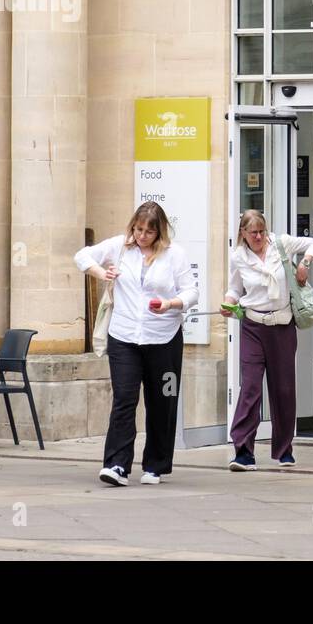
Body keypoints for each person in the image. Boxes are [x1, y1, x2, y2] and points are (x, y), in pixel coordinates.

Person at [75, 201, 197, 487]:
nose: (141, 236)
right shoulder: (120, 246)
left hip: (164, 338)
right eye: (138, 229)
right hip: (124, 336)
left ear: (159, 232)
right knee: (124, 399)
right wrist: (100, 272)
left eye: (148, 232)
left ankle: (155, 464)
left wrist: (169, 303)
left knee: (162, 401)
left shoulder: (174, 255)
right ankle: (116, 464)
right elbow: (81, 256)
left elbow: (192, 292)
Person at [224, 210, 313, 471]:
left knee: (283, 389)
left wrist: (305, 263)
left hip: (282, 326)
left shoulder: (280, 244)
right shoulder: (238, 257)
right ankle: (243, 451)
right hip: (253, 326)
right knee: (251, 387)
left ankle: (283, 449)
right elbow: (235, 288)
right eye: (253, 232)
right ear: (243, 233)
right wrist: (229, 303)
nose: (258, 237)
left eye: (261, 231)